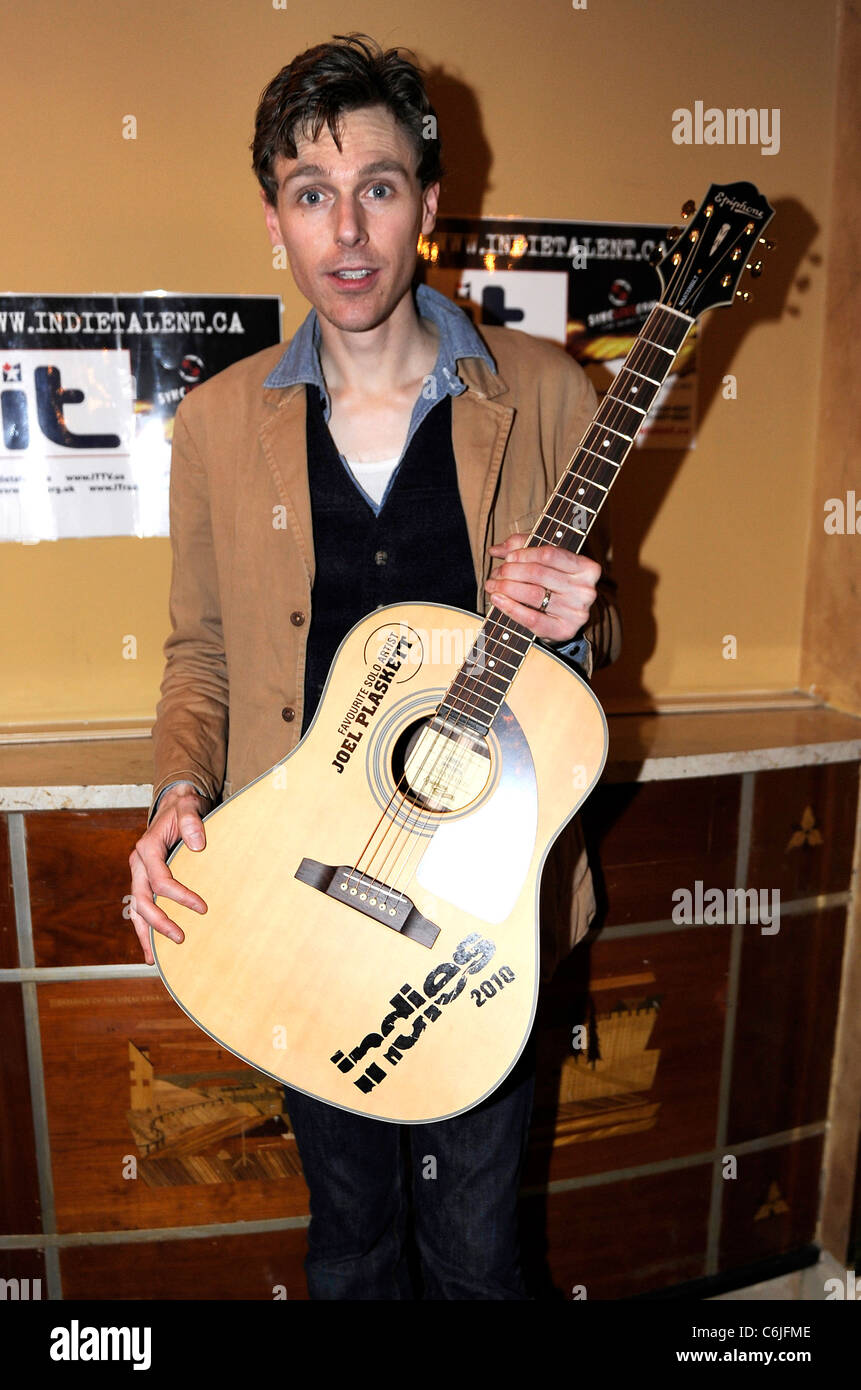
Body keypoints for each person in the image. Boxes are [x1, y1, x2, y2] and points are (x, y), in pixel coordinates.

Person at [128, 33, 621, 1300]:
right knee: (348, 1245)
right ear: (274, 221)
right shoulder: (215, 423)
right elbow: (199, 655)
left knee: (478, 1251)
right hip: (297, 899)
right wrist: (177, 796)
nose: (347, 231)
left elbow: (599, 651)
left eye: (380, 187)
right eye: (311, 193)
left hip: (478, 910)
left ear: (432, 207)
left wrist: (578, 620)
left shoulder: (551, 394)